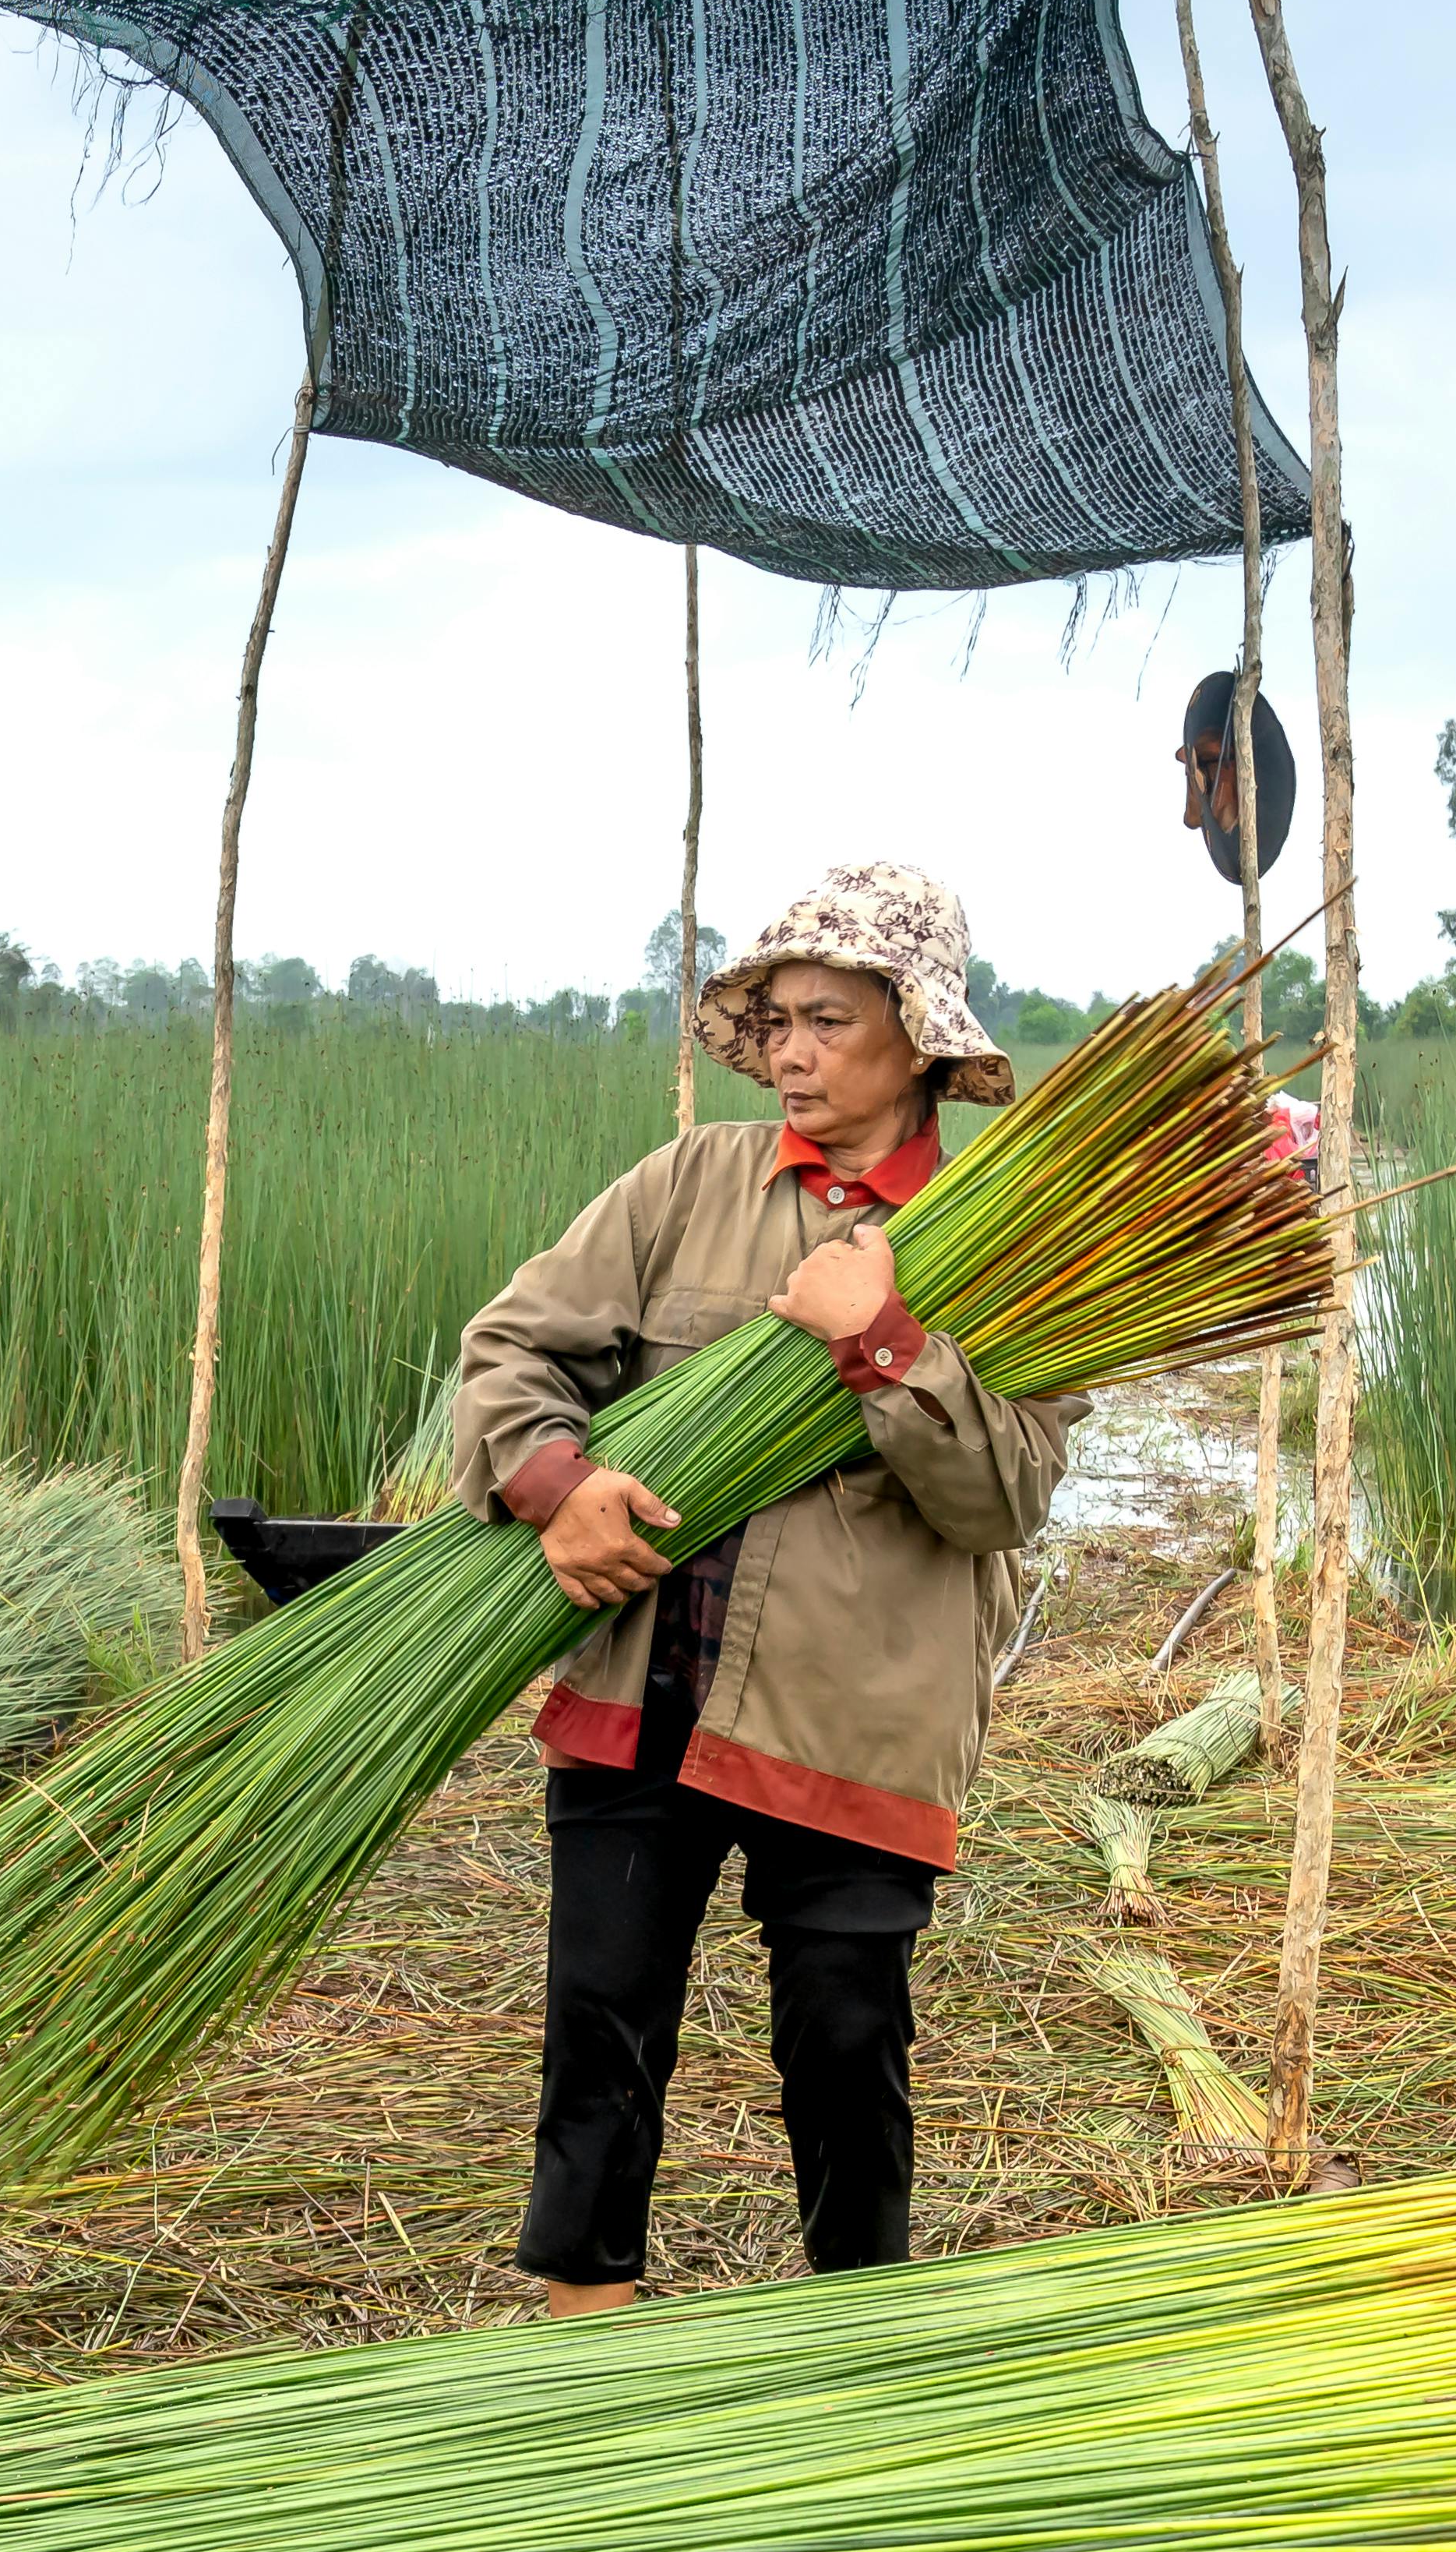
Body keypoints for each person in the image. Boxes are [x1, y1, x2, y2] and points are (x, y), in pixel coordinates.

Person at [453, 859, 1070, 2311]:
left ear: (916, 1035)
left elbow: (1004, 1498)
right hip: (641, 1691)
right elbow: (511, 1353)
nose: (791, 1053)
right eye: (777, 1020)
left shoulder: (1014, 1241)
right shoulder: (689, 1185)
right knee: (600, 2027)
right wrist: (559, 1485)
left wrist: (885, 1346)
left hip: (856, 1712)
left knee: (846, 2042)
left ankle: (852, 2351)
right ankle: (583, 2348)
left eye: (830, 1022)